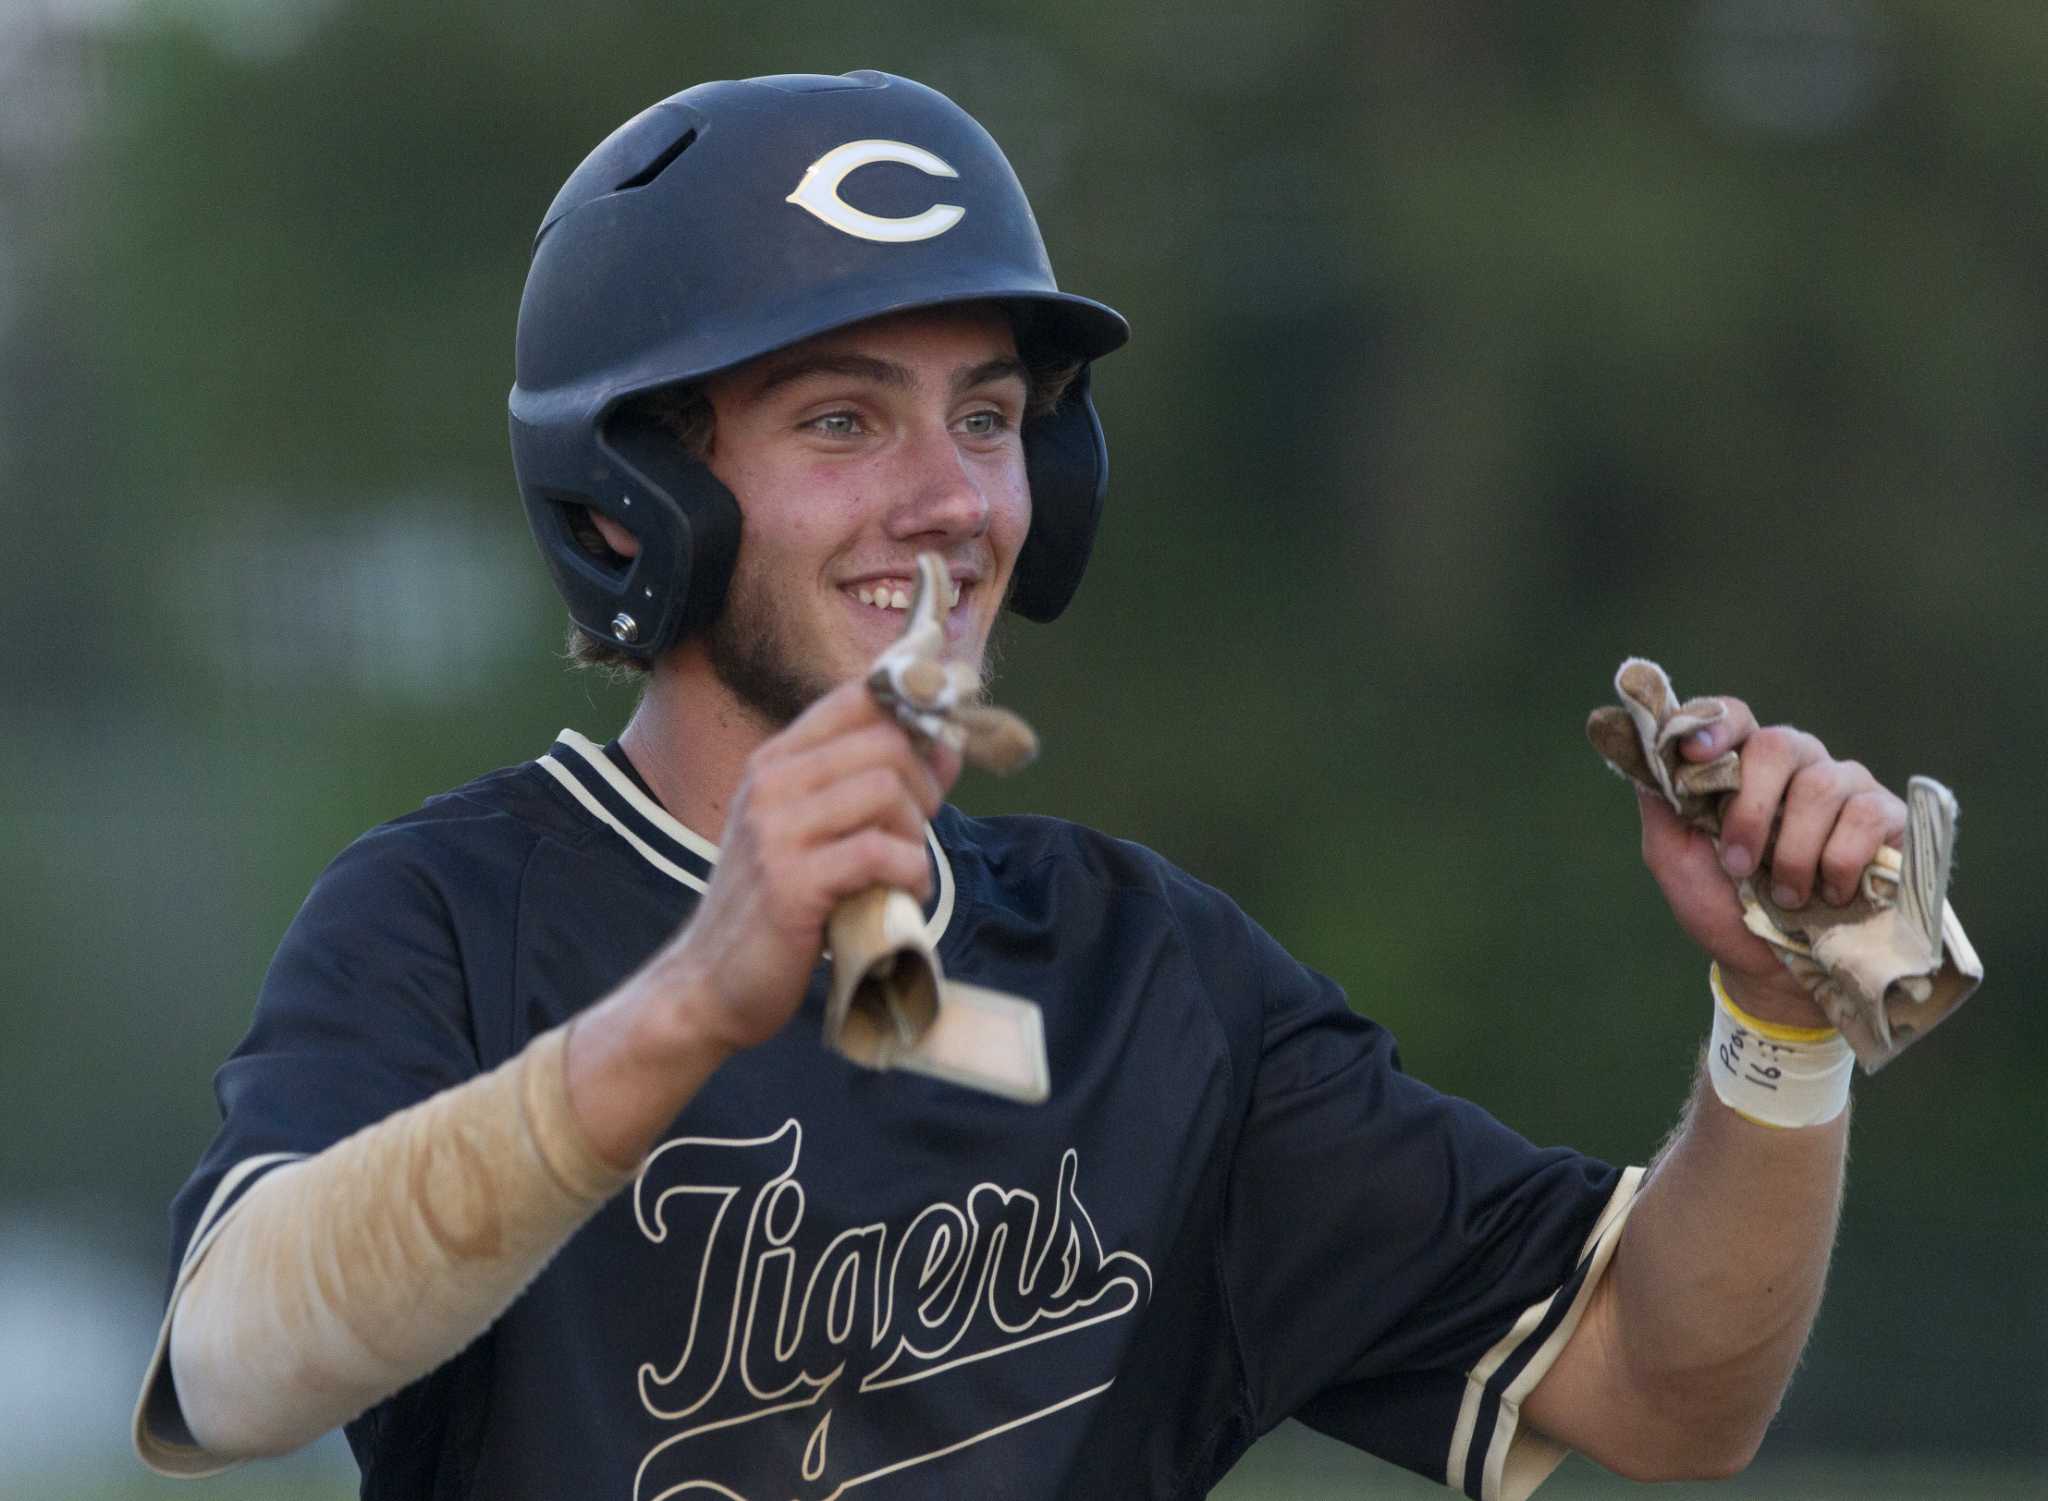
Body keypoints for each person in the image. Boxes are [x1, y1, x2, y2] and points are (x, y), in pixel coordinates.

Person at [133, 71, 1903, 1501]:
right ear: (630, 505)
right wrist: (685, 1008)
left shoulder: (1148, 976)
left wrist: (1777, 1018)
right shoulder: (455, 914)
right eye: (843, 420)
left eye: (986, 417)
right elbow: (228, 1366)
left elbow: (1668, 1396)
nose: (954, 500)